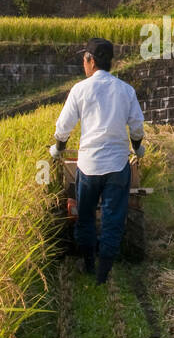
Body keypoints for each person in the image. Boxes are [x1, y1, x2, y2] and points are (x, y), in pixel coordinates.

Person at [49, 38, 145, 284]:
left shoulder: (80, 90)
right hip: (117, 166)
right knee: (113, 220)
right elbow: (136, 128)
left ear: (91, 61)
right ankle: (103, 274)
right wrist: (137, 148)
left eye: (84, 58)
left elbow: (63, 128)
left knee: (86, 217)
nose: (84, 62)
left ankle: (89, 265)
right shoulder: (125, 90)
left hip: (89, 166)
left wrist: (59, 149)